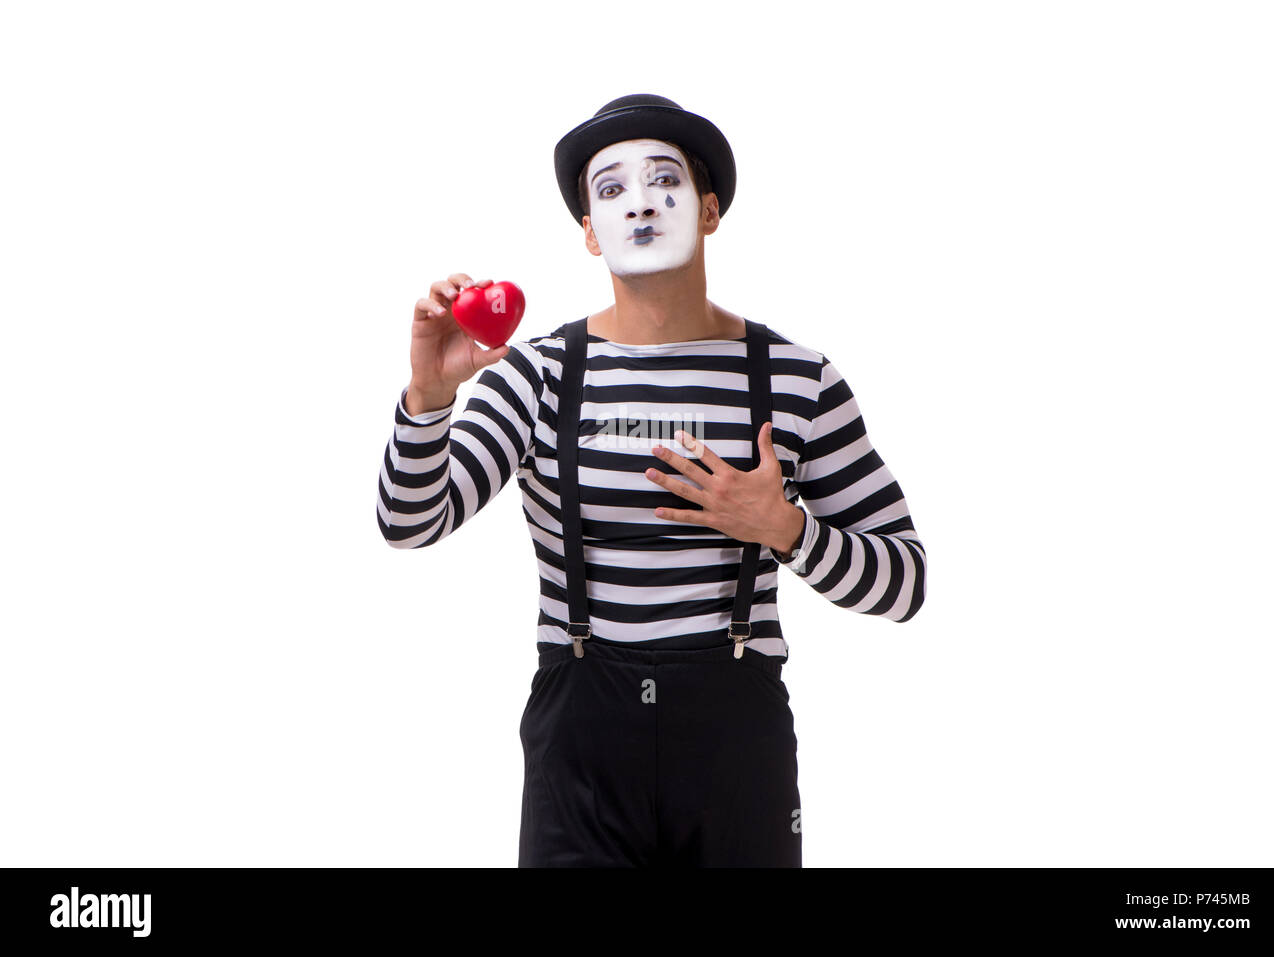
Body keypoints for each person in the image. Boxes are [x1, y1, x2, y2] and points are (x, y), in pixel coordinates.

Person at [376, 94, 927, 867]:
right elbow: (409, 520)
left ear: (709, 211)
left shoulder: (800, 380)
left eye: (662, 180)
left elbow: (905, 583)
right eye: (610, 190)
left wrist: (787, 530)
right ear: (589, 233)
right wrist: (429, 396)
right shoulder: (535, 374)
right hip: (582, 742)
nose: (637, 203)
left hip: (737, 742)